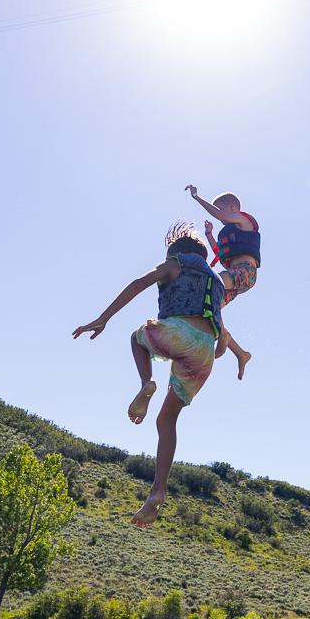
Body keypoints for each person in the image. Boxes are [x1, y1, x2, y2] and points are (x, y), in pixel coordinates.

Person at [72, 222, 225, 527]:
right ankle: (157, 492)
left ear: (175, 253)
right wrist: (212, 352)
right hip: (205, 351)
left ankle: (146, 383)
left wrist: (103, 318)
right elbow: (222, 339)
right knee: (166, 420)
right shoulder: (216, 282)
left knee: (136, 338)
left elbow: (138, 283)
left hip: (177, 332)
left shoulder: (175, 263)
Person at [185, 184, 258, 379]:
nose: (220, 217)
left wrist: (197, 197)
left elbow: (219, 214)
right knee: (209, 310)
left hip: (245, 271)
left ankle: (223, 338)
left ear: (233, 208)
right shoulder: (228, 231)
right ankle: (241, 354)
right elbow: (219, 253)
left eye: (222, 210)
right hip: (234, 278)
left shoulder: (244, 221)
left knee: (211, 282)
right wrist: (209, 234)